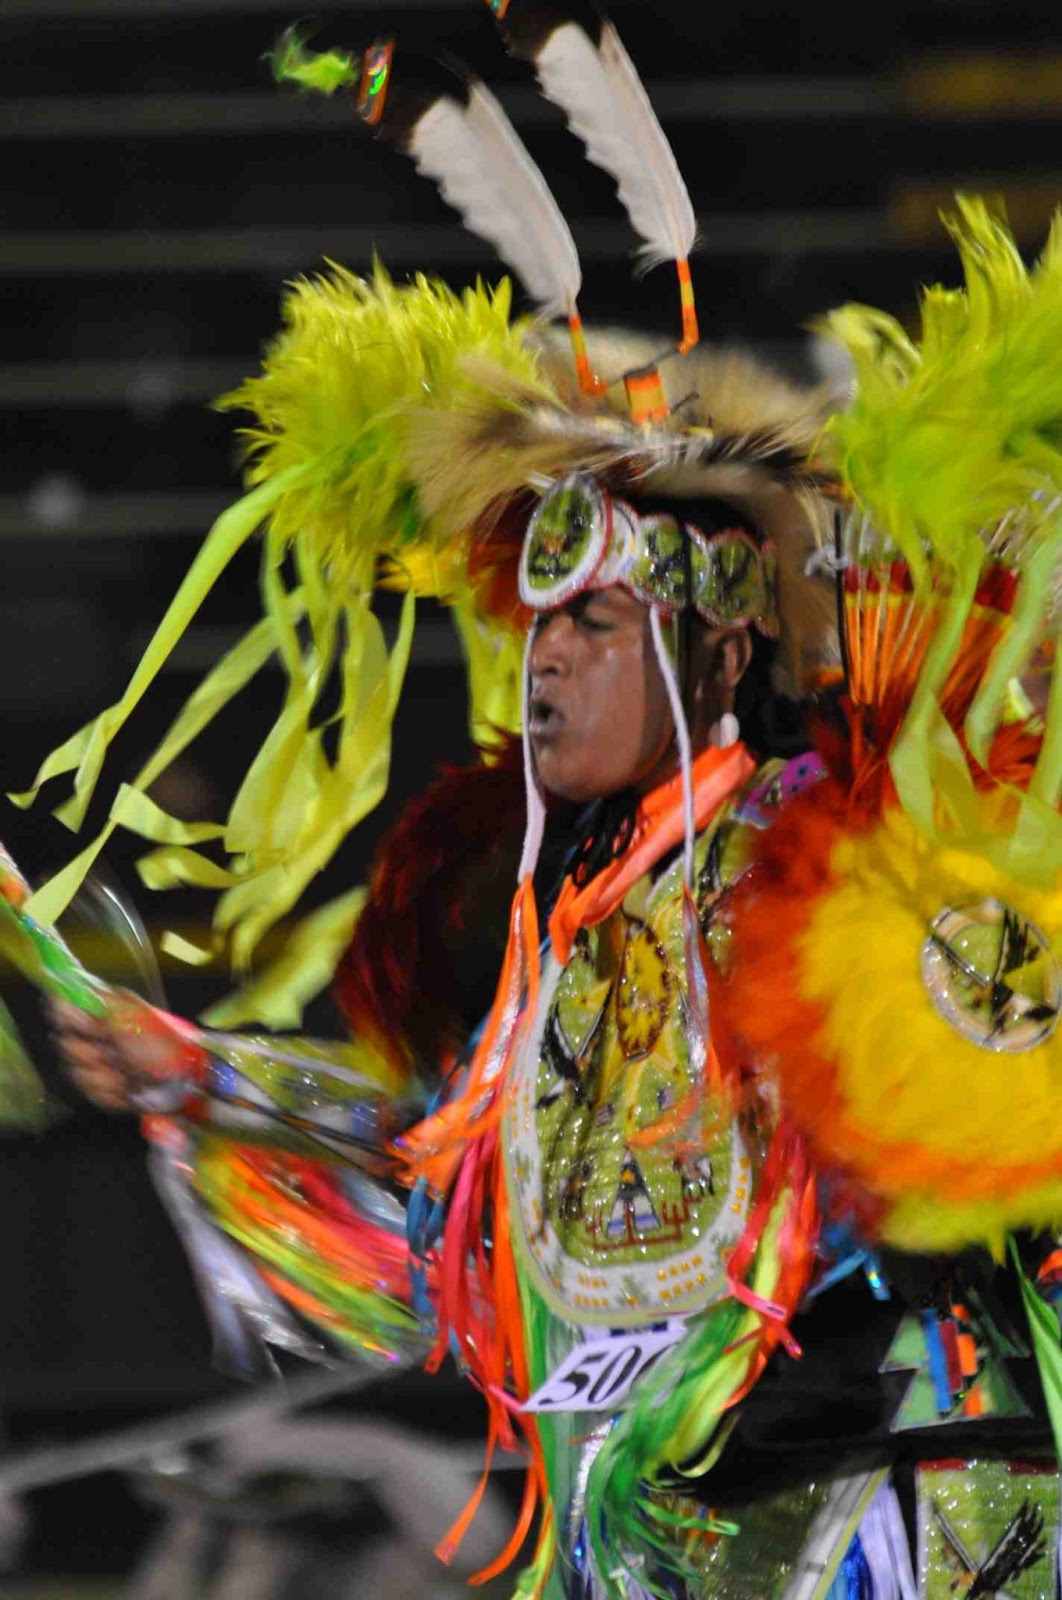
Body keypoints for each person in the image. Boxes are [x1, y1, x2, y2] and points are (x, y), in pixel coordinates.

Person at [24, 12, 1062, 1600]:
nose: (540, 668)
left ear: (703, 637)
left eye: (586, 626)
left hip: (880, 1507)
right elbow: (458, 1194)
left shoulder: (831, 852)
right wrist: (208, 1076)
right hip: (649, 1530)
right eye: (532, 631)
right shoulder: (569, 924)